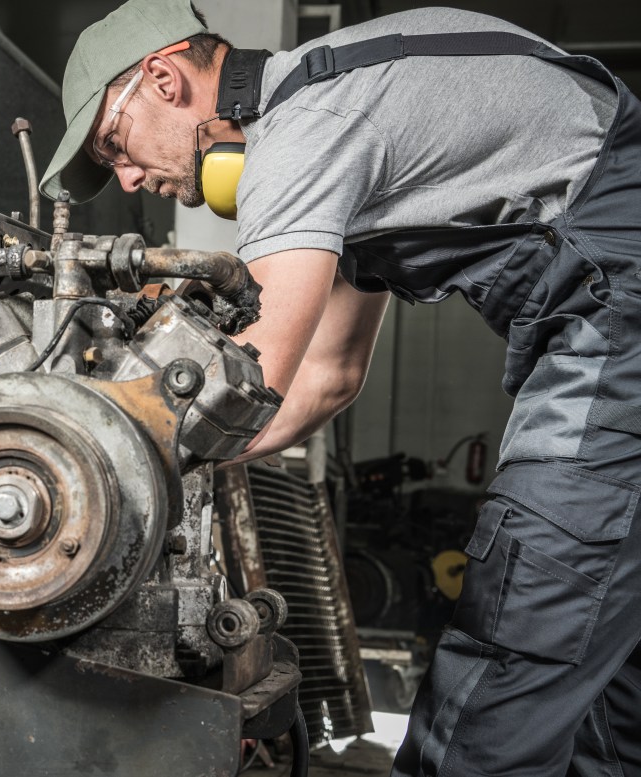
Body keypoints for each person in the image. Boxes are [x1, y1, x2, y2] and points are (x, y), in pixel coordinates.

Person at [40, 1, 641, 775]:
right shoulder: (342, 101)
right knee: (609, 699)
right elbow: (328, 376)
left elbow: (253, 373)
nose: (129, 178)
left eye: (116, 144)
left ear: (164, 77)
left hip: (618, 314)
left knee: (510, 649)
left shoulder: (303, 125)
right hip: (610, 302)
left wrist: (102, 460)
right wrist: (178, 467)